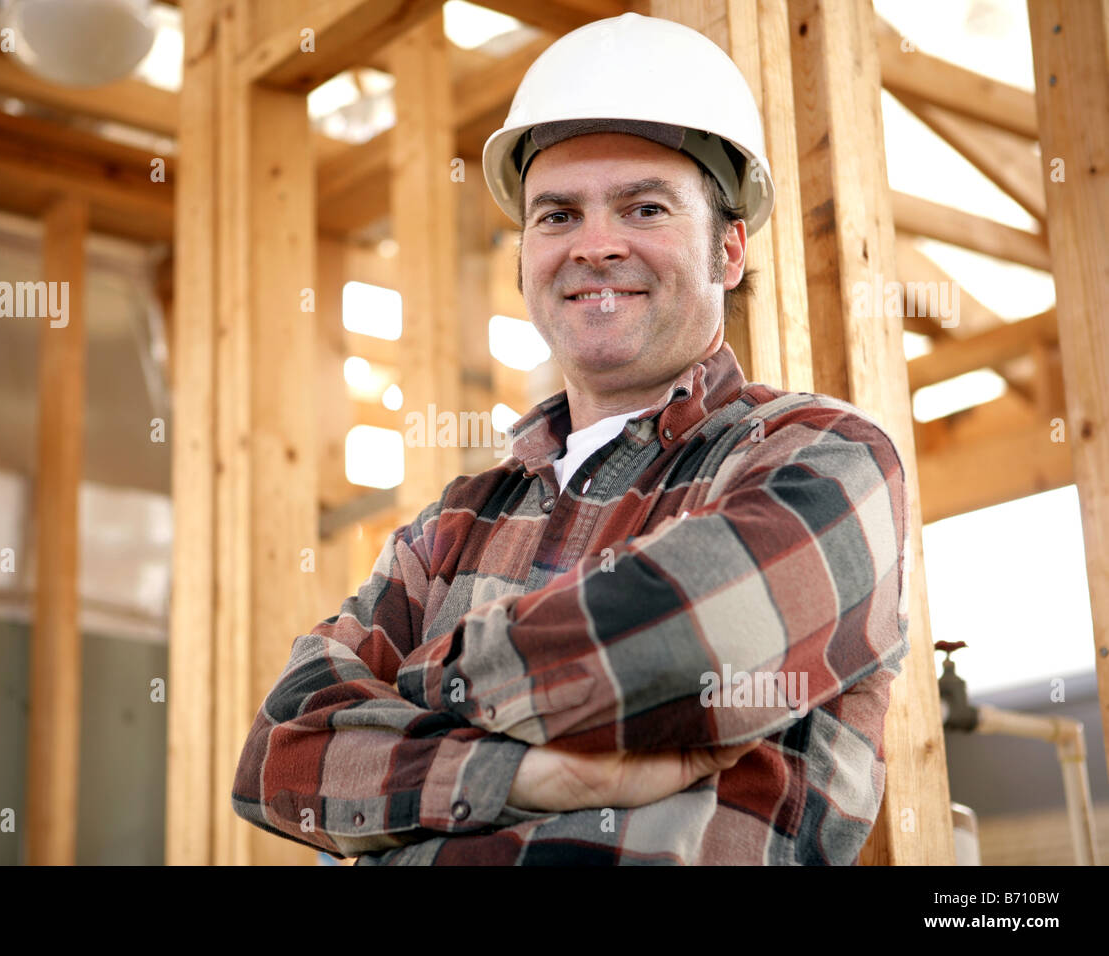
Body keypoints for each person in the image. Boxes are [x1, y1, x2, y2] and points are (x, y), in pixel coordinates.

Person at [232, 11, 911, 865]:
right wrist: (541, 776)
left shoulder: (819, 457)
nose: (595, 246)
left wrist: (412, 702)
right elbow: (279, 756)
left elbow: (677, 646)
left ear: (729, 250)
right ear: (523, 260)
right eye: (557, 216)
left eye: (645, 207)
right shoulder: (455, 524)